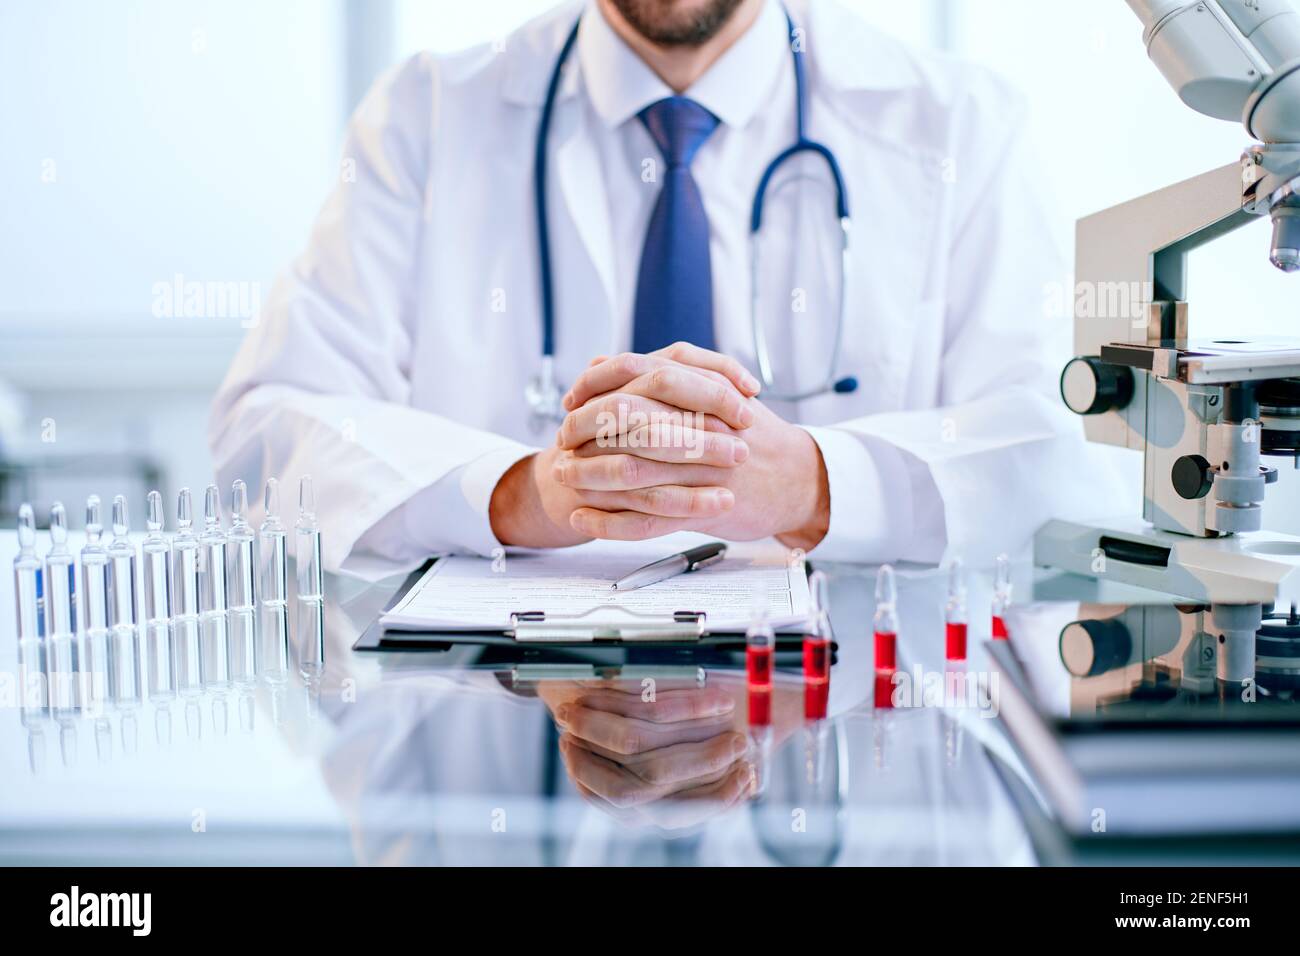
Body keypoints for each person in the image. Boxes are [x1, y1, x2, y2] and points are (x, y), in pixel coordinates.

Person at [209, 0, 1105, 579]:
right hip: (504, 733)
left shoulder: (959, 125)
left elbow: (1056, 451)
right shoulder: (426, 117)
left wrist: (814, 486)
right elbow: (266, 429)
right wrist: (525, 492)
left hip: (854, 742)